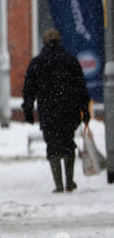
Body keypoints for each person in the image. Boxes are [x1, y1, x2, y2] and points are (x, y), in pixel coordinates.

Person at [22, 28, 91, 193]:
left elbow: (28, 89)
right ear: (60, 42)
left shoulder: (37, 62)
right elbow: (81, 89)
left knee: (52, 146)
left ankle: (58, 185)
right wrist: (85, 111)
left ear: (44, 43)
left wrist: (28, 110)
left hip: (48, 113)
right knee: (68, 144)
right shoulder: (70, 61)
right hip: (69, 113)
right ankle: (70, 182)